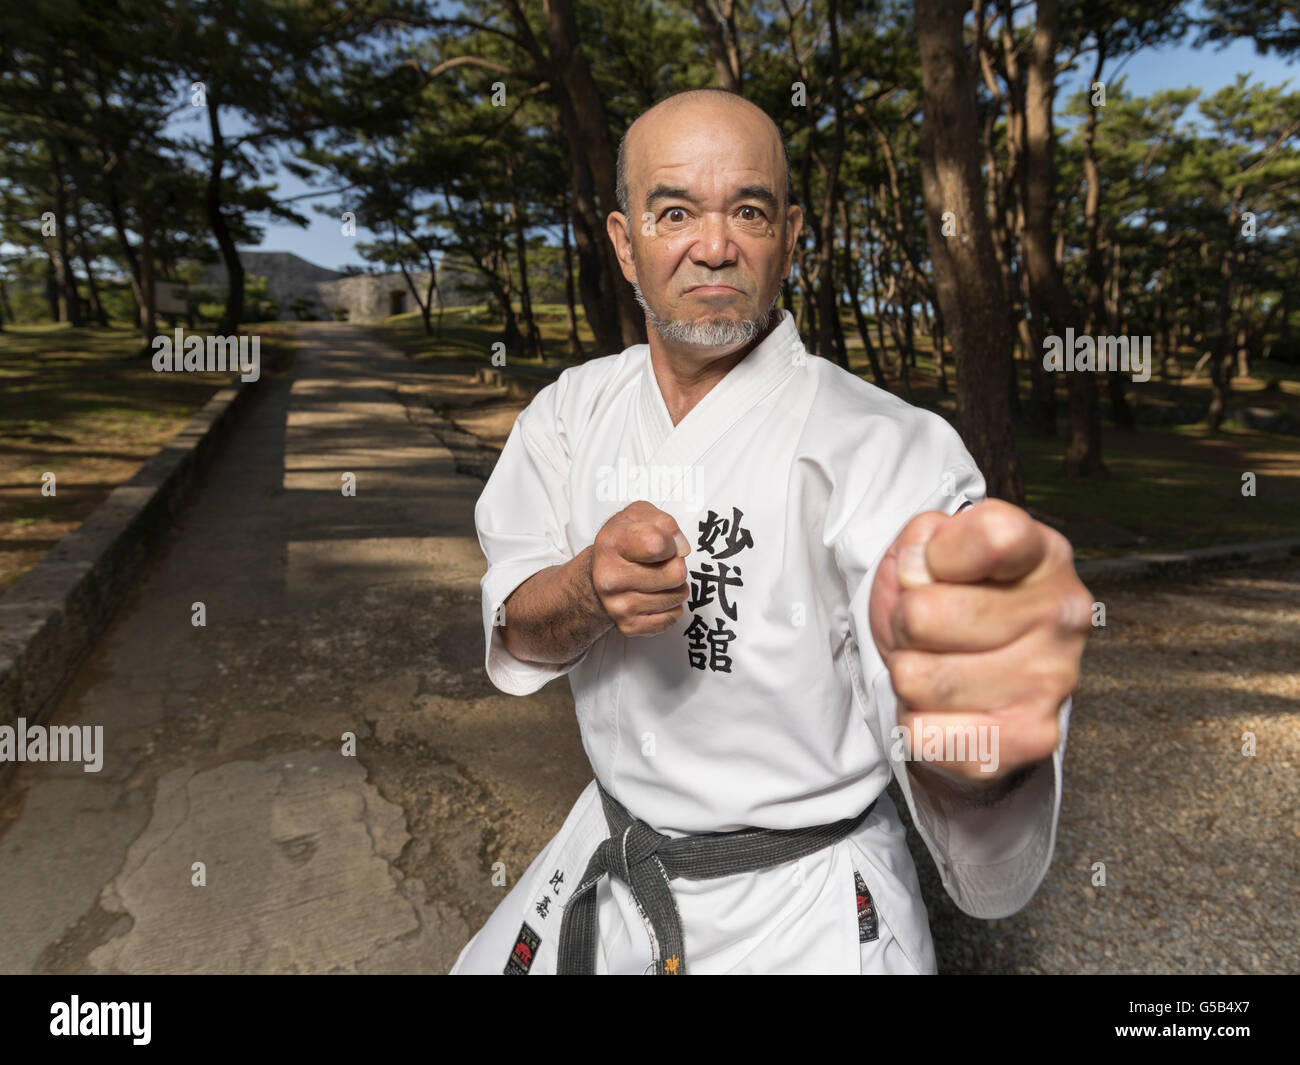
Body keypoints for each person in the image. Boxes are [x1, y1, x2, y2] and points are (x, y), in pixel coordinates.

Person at [450, 88, 1092, 975]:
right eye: (674, 210)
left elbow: (944, 701)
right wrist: (586, 591)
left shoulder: (885, 448)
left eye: (747, 210)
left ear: (790, 238)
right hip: (611, 844)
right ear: (623, 242)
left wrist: (976, 733)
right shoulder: (571, 414)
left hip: (805, 904)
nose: (713, 245)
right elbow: (518, 628)